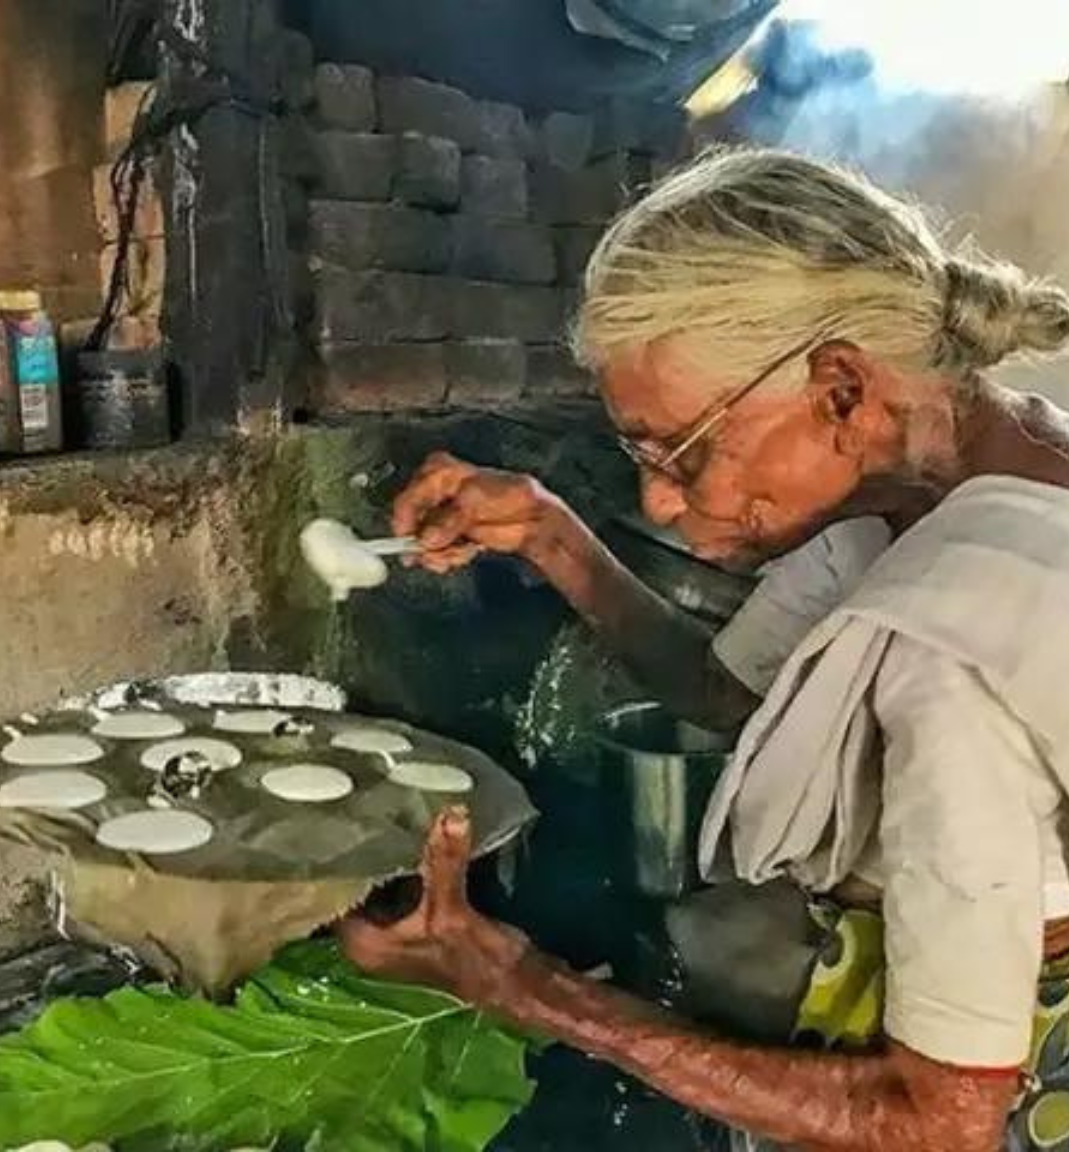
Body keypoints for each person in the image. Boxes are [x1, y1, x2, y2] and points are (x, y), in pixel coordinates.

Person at [340, 146, 1069, 1150]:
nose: (655, 499)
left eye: (676, 451)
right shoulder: (951, 477)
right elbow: (735, 697)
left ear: (840, 392)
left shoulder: (952, 650)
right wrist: (550, 534)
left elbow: (937, 1123)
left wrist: (528, 990)